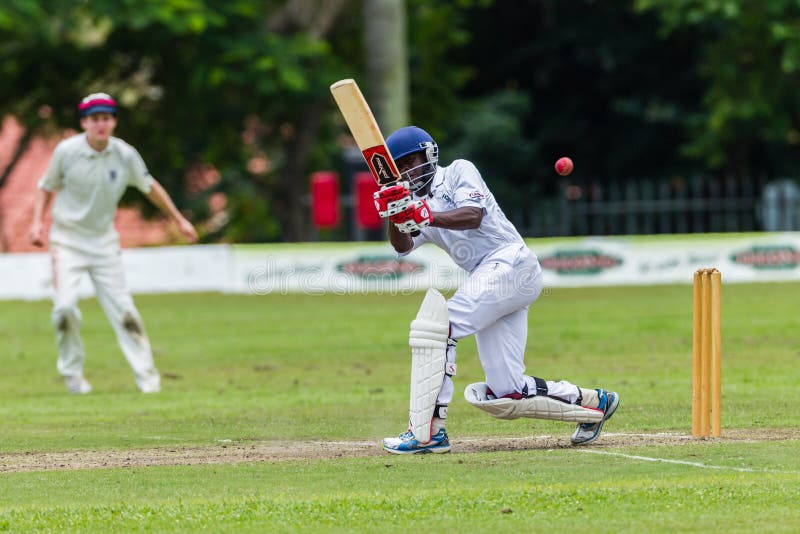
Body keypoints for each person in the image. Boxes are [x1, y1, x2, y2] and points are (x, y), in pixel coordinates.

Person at [374, 126, 619, 454]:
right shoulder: (414, 201)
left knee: (437, 328)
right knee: (507, 394)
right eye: (399, 168)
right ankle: (594, 403)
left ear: (429, 154)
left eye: (411, 162)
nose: (407, 171)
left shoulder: (458, 171)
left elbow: (473, 216)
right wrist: (395, 213)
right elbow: (402, 246)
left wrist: (424, 214)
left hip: (510, 262)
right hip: (491, 277)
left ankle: (428, 432)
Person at [29, 93, 198, 394]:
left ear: (114, 121)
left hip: (104, 242)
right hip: (66, 240)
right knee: (65, 308)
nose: (100, 124)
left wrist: (178, 219)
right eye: (94, 119)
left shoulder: (125, 155)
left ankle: (148, 381)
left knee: (124, 310)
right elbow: (45, 188)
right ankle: (72, 376)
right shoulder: (67, 152)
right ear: (84, 123)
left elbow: (150, 186)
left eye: (106, 118)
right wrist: (36, 223)